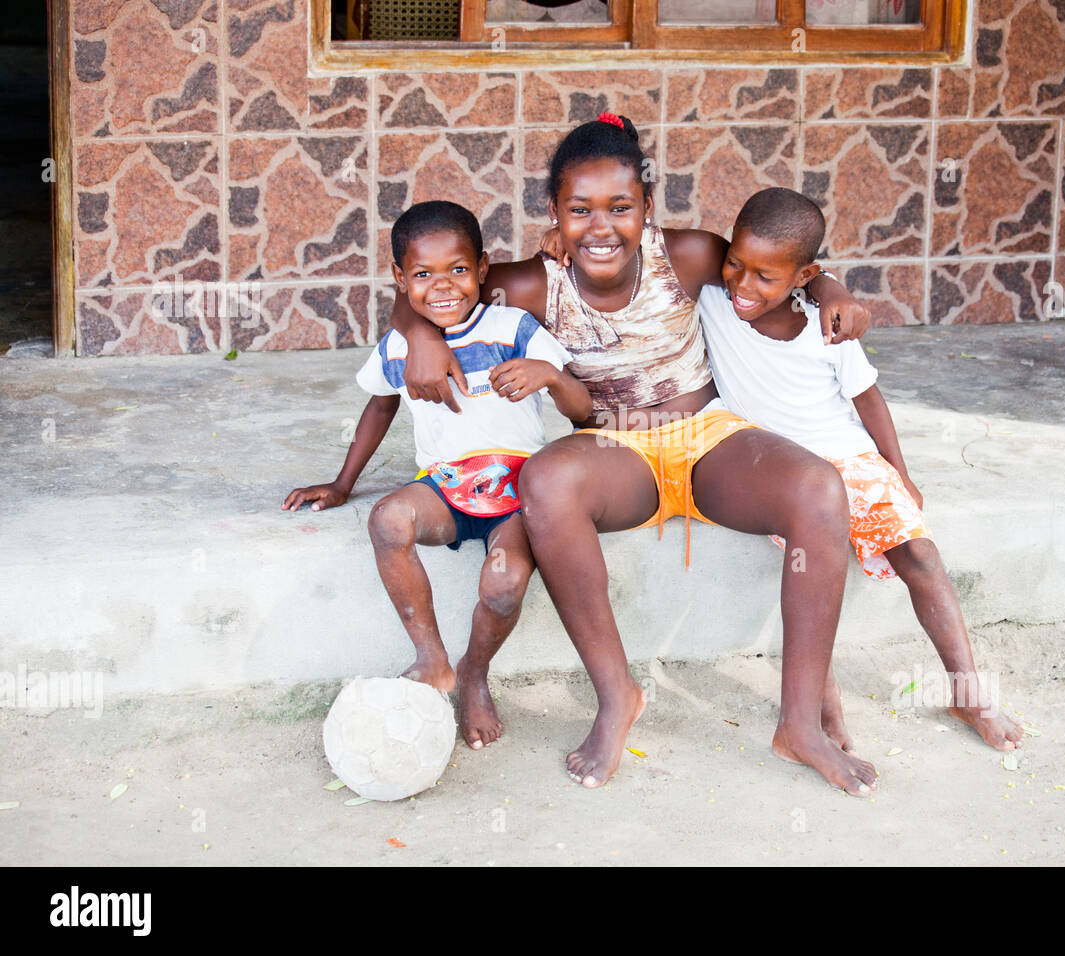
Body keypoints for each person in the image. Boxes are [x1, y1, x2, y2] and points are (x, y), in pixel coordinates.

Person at [390, 114, 881, 796]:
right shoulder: (533, 283)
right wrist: (416, 331)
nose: (601, 227)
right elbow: (439, 287)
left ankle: (800, 723)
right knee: (548, 480)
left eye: (620, 207)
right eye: (579, 209)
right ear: (554, 215)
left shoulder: (687, 254)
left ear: (647, 208)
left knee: (818, 489)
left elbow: (780, 272)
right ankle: (617, 692)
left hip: (708, 438)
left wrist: (832, 291)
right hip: (616, 451)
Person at [698, 187, 1026, 752]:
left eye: (765, 277)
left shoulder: (829, 332)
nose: (743, 286)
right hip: (784, 471)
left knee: (920, 553)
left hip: (848, 457)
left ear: (803, 277)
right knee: (813, 576)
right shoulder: (712, 304)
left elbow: (869, 401)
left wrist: (898, 473)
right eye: (735, 265)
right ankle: (823, 710)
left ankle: (967, 690)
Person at [283, 201, 591, 750]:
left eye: (457, 269)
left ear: (482, 268)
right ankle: (433, 659)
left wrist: (548, 374)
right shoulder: (400, 346)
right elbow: (380, 409)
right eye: (422, 274)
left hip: (518, 495)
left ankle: (474, 671)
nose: (442, 285)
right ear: (400, 280)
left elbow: (582, 409)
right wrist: (342, 484)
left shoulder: (513, 327)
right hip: (445, 490)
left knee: (503, 586)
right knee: (388, 520)